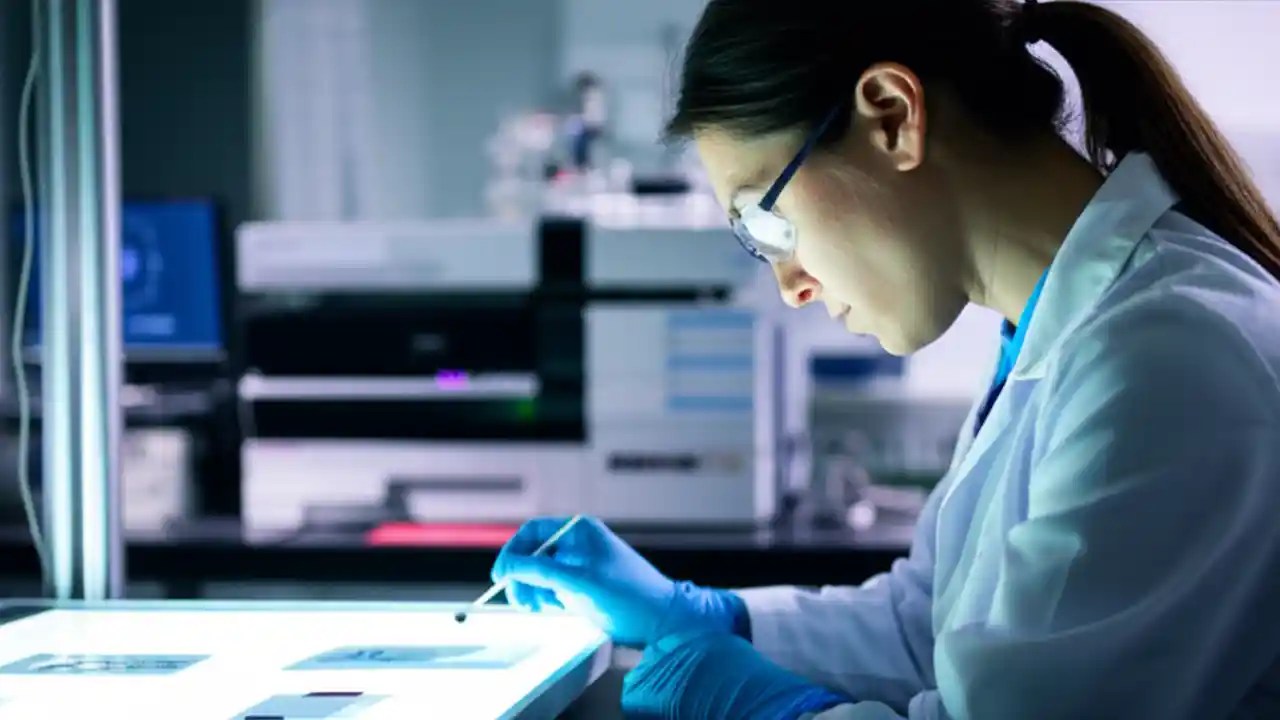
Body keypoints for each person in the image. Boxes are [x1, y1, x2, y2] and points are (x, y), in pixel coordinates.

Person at [491, 0, 1280, 717]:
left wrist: (758, 707)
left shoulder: (1164, 358)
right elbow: (924, 624)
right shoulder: (1062, 332)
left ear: (893, 116)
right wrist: (699, 614)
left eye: (766, 222)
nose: (790, 285)